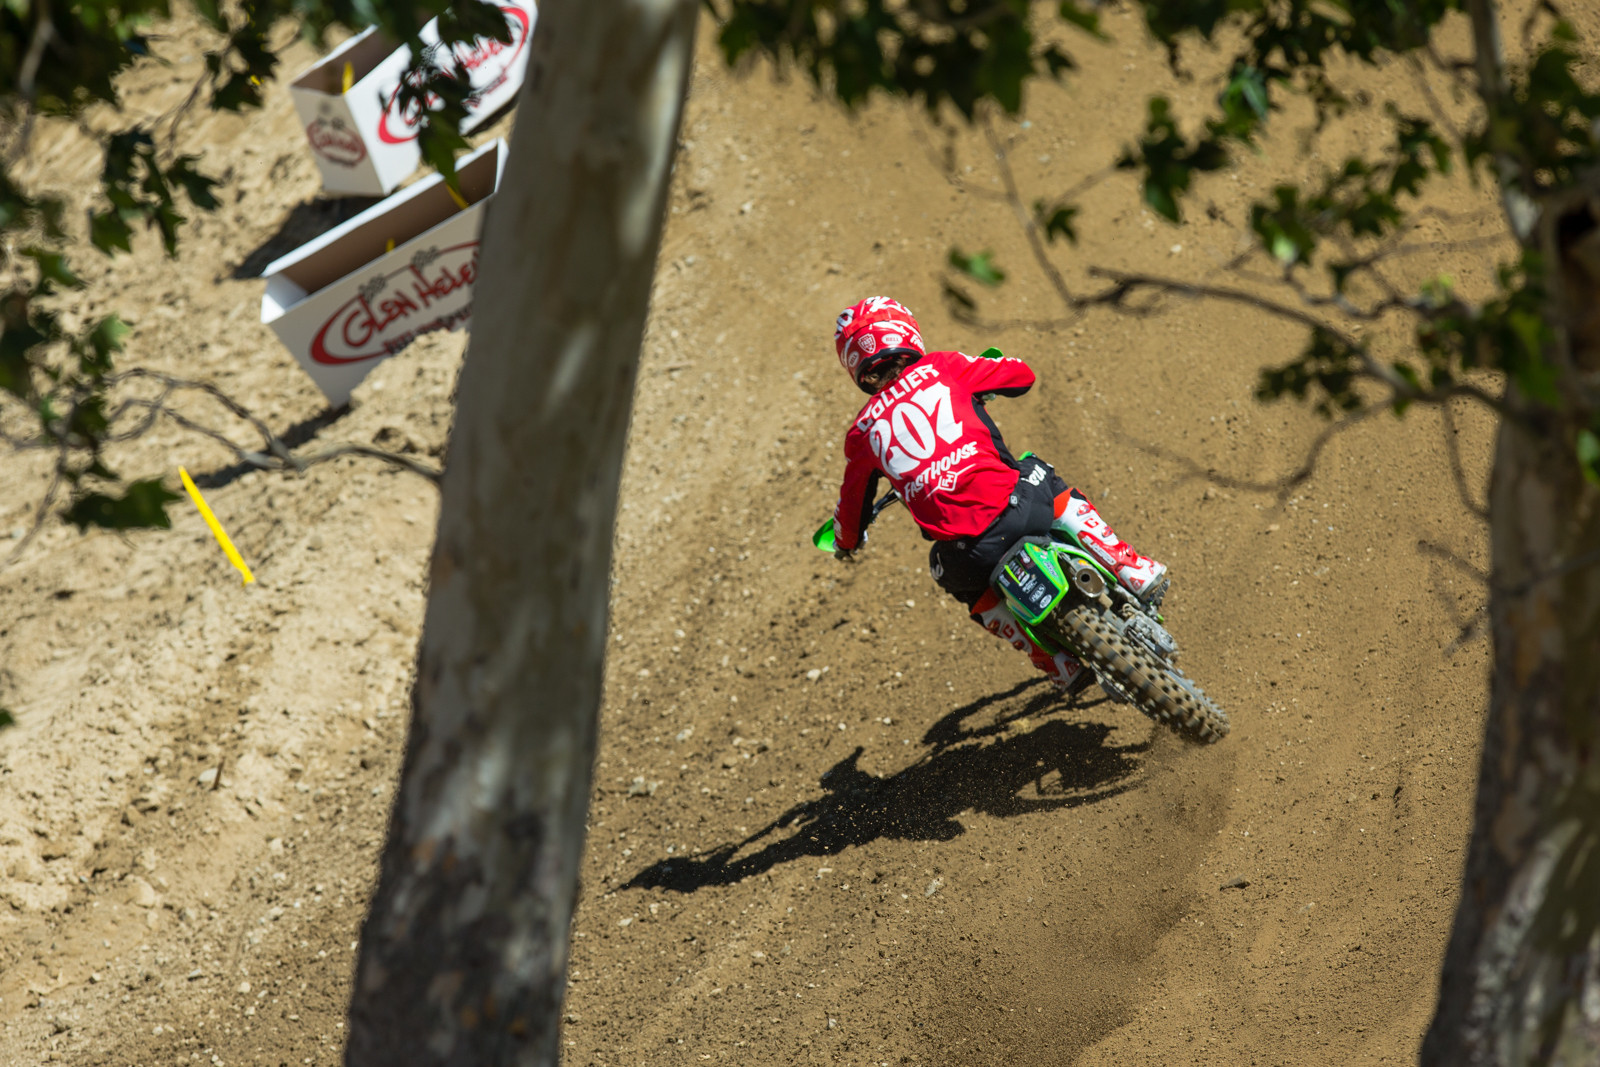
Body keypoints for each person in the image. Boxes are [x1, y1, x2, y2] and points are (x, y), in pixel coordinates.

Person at [829, 296, 1168, 693]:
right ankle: (1129, 567)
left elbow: (849, 513)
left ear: (855, 364)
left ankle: (1054, 661)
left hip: (970, 554)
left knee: (946, 570)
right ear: (904, 331)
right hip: (1022, 509)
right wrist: (988, 379)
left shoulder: (861, 433)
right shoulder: (942, 367)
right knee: (1037, 468)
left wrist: (845, 543)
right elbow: (1020, 375)